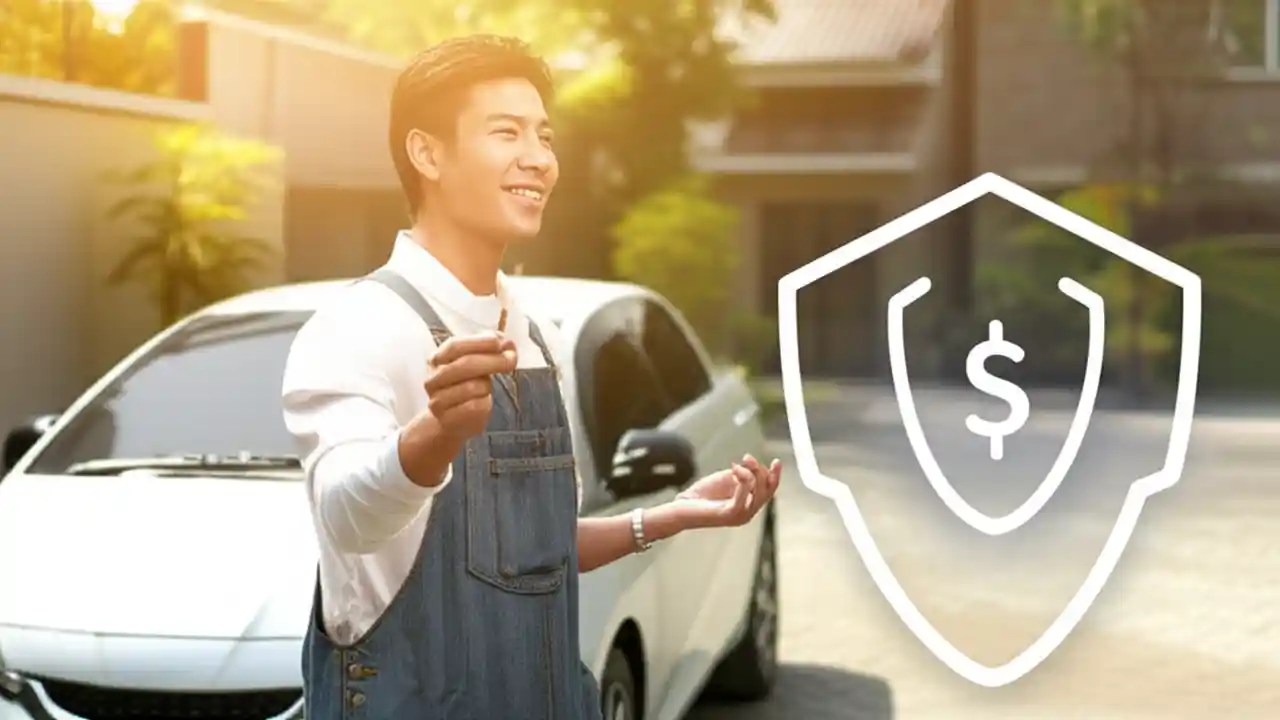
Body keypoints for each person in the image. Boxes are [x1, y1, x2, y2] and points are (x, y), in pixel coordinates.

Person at [280, 34, 782, 720]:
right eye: (506, 132)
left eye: (544, 136)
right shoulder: (360, 329)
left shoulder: (533, 336)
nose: (539, 159)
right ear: (427, 153)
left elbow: (536, 552)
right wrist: (433, 438)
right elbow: (345, 515)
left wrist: (674, 515)